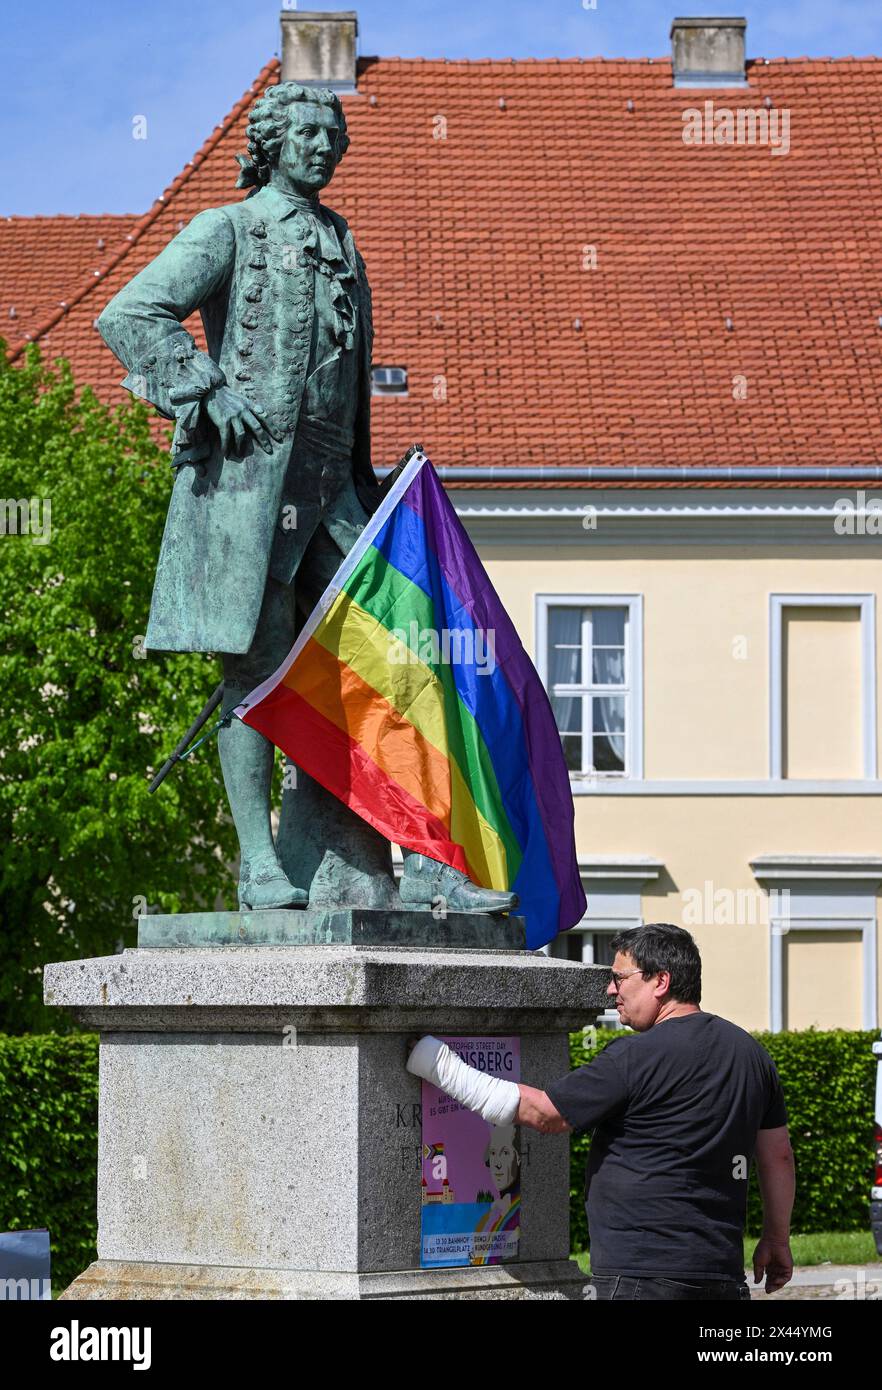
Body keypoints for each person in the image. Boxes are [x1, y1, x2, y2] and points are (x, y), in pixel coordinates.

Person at [406, 923, 795, 1301]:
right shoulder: (752, 1054)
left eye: (620, 978)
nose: (611, 990)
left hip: (640, 1275)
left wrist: (434, 1062)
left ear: (661, 981)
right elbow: (777, 1156)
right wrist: (777, 1239)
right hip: (721, 1273)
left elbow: (544, 1113)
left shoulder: (634, 1057)